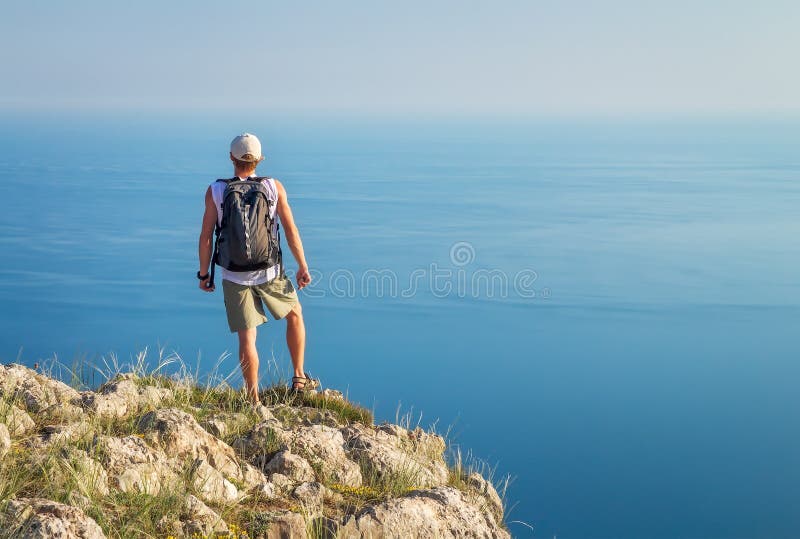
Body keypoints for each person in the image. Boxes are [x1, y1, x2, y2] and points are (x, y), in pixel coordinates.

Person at [197, 133, 316, 404]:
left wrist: (204, 274)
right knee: (295, 315)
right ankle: (299, 378)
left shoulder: (216, 191)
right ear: (260, 159)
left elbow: (206, 237)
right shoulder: (273, 187)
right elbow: (290, 230)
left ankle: (254, 400)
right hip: (269, 271)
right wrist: (302, 265)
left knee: (247, 337)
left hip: (233, 274)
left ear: (232, 158)